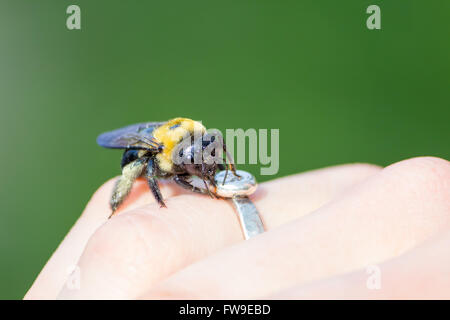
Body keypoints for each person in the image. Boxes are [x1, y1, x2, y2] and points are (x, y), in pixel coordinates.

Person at [24, 157, 450, 299]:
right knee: (138, 173)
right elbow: (152, 172)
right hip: (147, 163)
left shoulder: (195, 145)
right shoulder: (166, 155)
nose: (205, 159)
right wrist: (155, 203)